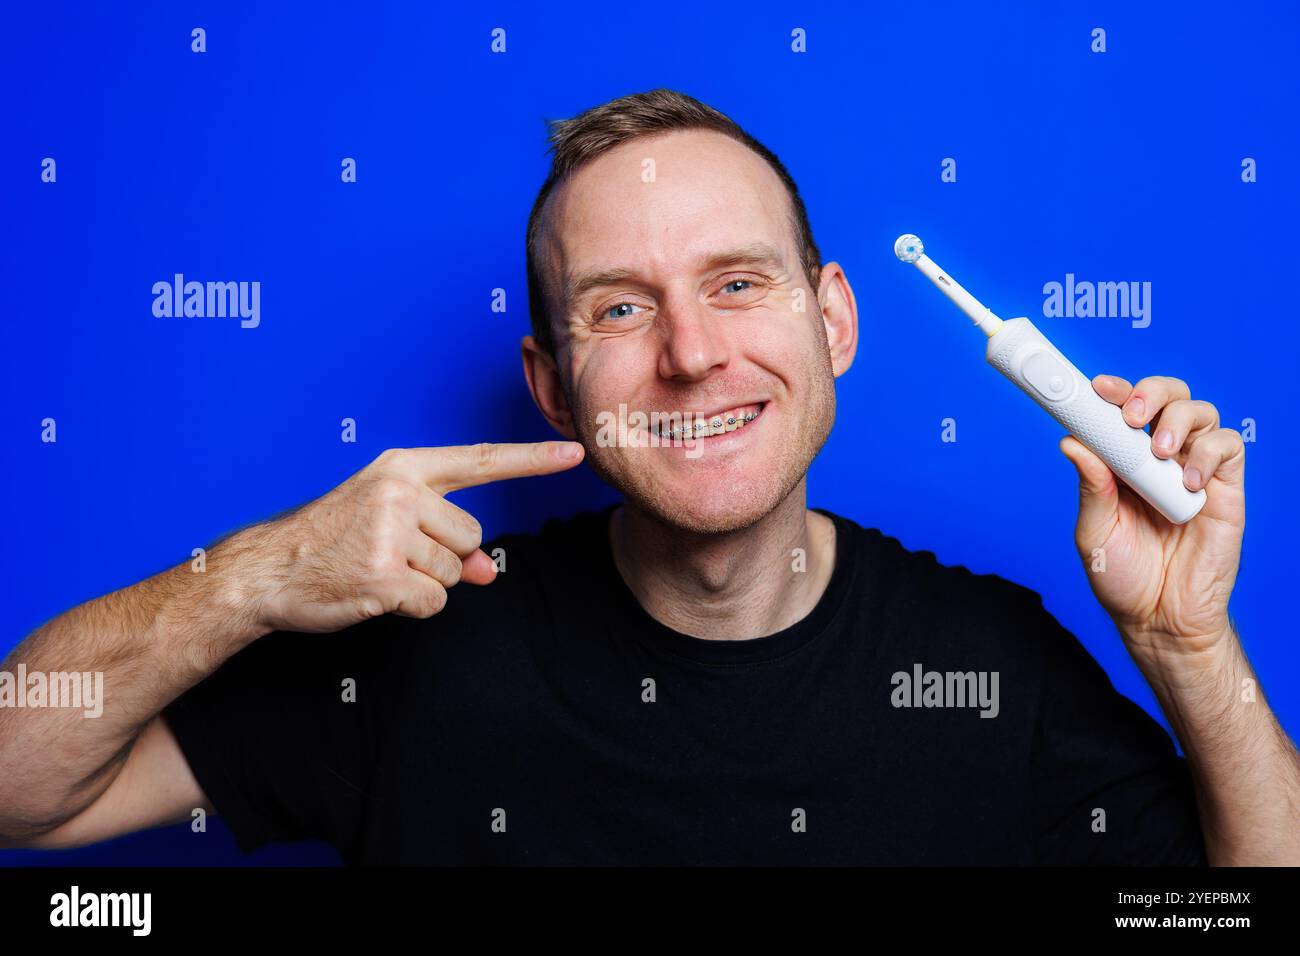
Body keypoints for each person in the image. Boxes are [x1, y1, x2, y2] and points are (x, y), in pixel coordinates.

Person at [1, 89, 1295, 865]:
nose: (691, 355)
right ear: (553, 384)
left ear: (832, 322)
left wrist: (1186, 642)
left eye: (738, 285)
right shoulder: (418, 639)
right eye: (620, 311)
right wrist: (256, 573)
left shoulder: (989, 668)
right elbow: (21, 791)